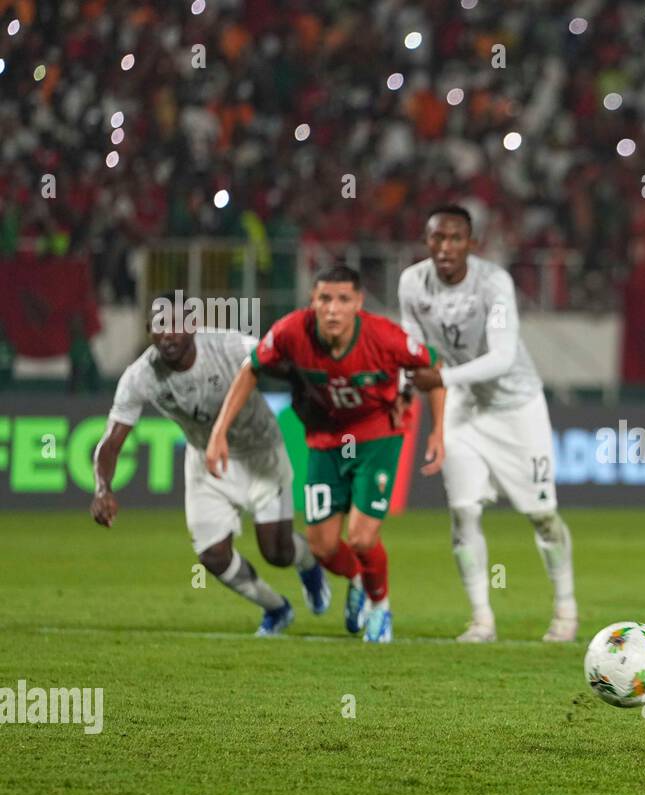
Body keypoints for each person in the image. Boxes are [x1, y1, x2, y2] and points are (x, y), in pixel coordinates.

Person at [205, 265, 443, 644]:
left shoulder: (384, 337)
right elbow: (251, 369)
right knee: (322, 546)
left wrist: (436, 429)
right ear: (312, 301)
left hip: (376, 434)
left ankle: (381, 609)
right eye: (325, 299)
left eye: (343, 300)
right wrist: (219, 431)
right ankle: (358, 581)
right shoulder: (290, 331)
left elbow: (434, 366)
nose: (333, 309)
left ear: (358, 303)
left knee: (363, 538)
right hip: (325, 438)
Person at [399, 205, 578, 644]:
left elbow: (500, 358)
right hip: (465, 406)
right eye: (437, 238)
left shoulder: (494, 283)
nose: (445, 247)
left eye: (455, 238)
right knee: (463, 511)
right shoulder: (411, 284)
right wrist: (408, 390)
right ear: (427, 242)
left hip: (517, 405)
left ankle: (566, 611)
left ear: (471, 244)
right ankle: (481, 619)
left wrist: (440, 377)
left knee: (542, 515)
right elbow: (413, 352)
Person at [91, 316, 329, 636]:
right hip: (206, 462)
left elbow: (277, 358)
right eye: (158, 326)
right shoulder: (140, 375)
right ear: (148, 330)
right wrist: (102, 488)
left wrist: (309, 386)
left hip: (260, 452)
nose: (167, 335)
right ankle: (276, 608)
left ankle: (310, 568)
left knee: (277, 552)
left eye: (175, 324)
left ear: (192, 326)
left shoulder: (228, 345)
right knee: (213, 557)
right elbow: (111, 441)